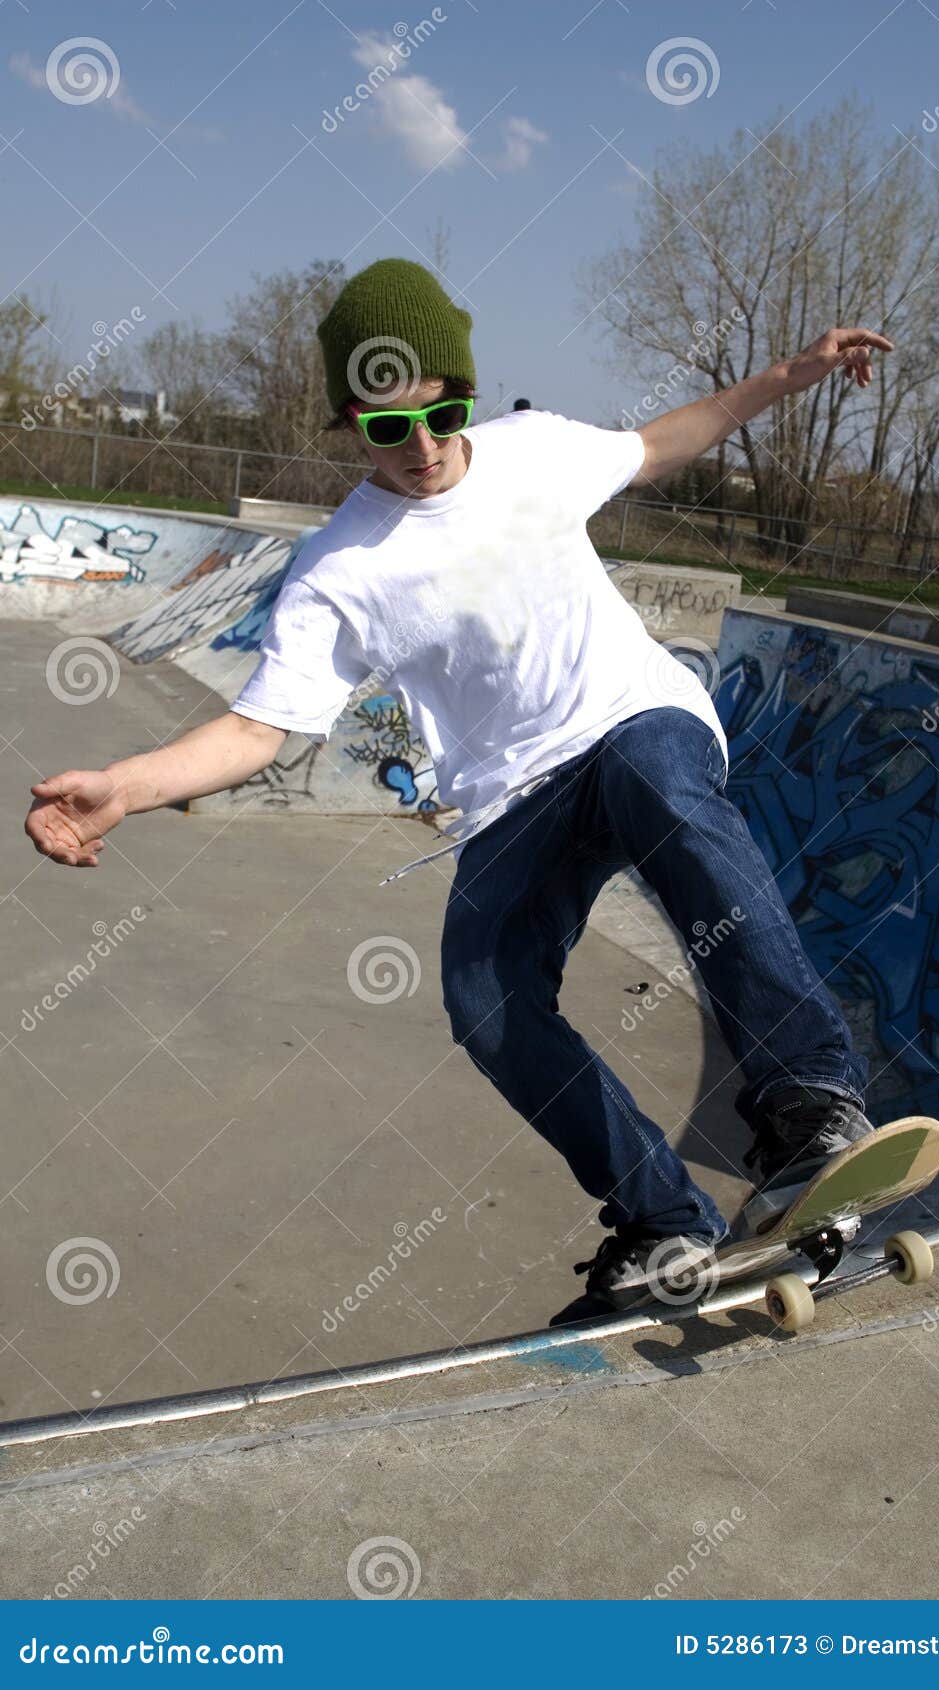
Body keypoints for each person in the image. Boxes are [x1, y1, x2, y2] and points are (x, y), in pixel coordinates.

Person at [25, 258, 892, 1313]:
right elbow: (258, 729)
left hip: (629, 715)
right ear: (351, 423)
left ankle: (809, 1099)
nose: (425, 448)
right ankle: (660, 1217)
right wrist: (126, 783)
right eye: (392, 430)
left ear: (463, 392)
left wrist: (791, 373)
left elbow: (667, 440)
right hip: (514, 794)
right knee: (483, 1001)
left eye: (443, 413)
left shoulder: (535, 454)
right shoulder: (338, 568)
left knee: (663, 793)